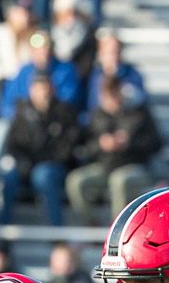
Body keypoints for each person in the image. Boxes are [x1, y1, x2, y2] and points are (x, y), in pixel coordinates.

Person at [66, 77, 160, 225]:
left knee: (119, 180)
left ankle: (117, 229)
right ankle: (91, 224)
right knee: (76, 181)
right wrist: (101, 144)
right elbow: (84, 148)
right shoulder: (97, 116)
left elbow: (156, 144)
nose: (113, 100)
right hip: (104, 167)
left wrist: (130, 143)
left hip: (134, 166)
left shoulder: (138, 113)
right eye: (108, 96)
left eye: (115, 94)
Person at [1, 72, 77, 227]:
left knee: (43, 175)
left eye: (46, 87)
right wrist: (24, 163)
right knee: (9, 177)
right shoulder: (21, 113)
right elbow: (13, 144)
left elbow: (67, 148)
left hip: (54, 167)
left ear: (53, 89)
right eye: (39, 88)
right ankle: (4, 226)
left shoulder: (65, 113)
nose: (43, 92)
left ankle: (55, 227)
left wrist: (40, 162)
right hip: (26, 165)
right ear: (31, 90)